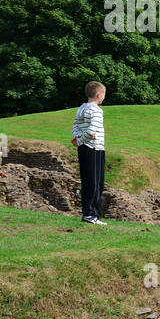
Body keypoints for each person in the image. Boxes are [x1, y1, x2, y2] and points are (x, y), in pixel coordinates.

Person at [71, 81, 107, 225]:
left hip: (84, 148)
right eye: (103, 94)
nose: (104, 97)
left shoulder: (81, 108)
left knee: (87, 181)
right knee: (96, 183)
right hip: (95, 149)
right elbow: (92, 131)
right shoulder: (97, 110)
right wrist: (84, 139)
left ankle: (88, 213)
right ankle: (91, 215)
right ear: (99, 95)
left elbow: (75, 126)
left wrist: (79, 140)